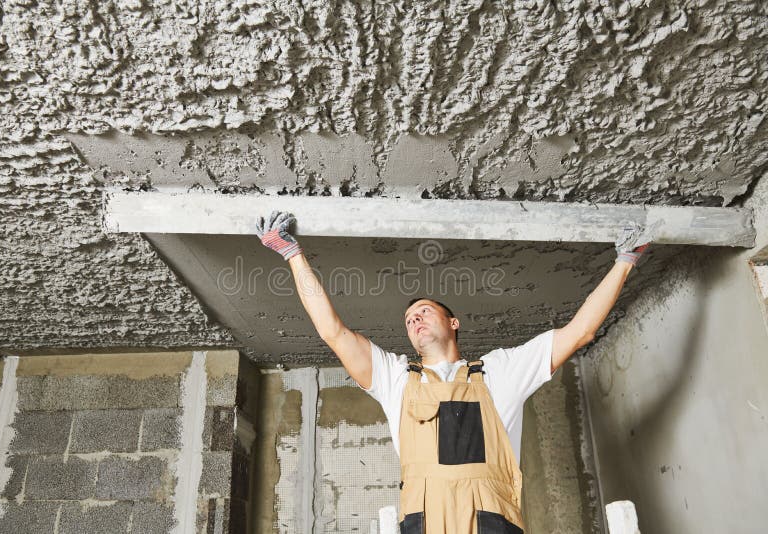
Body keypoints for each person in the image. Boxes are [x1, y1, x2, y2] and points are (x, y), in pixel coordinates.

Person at [256, 210, 650, 534]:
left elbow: (580, 332)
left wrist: (625, 261)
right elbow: (333, 332)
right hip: (423, 522)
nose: (415, 319)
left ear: (454, 322)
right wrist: (293, 254)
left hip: (492, 521)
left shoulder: (500, 372)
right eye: (409, 319)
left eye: (424, 310)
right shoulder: (394, 379)